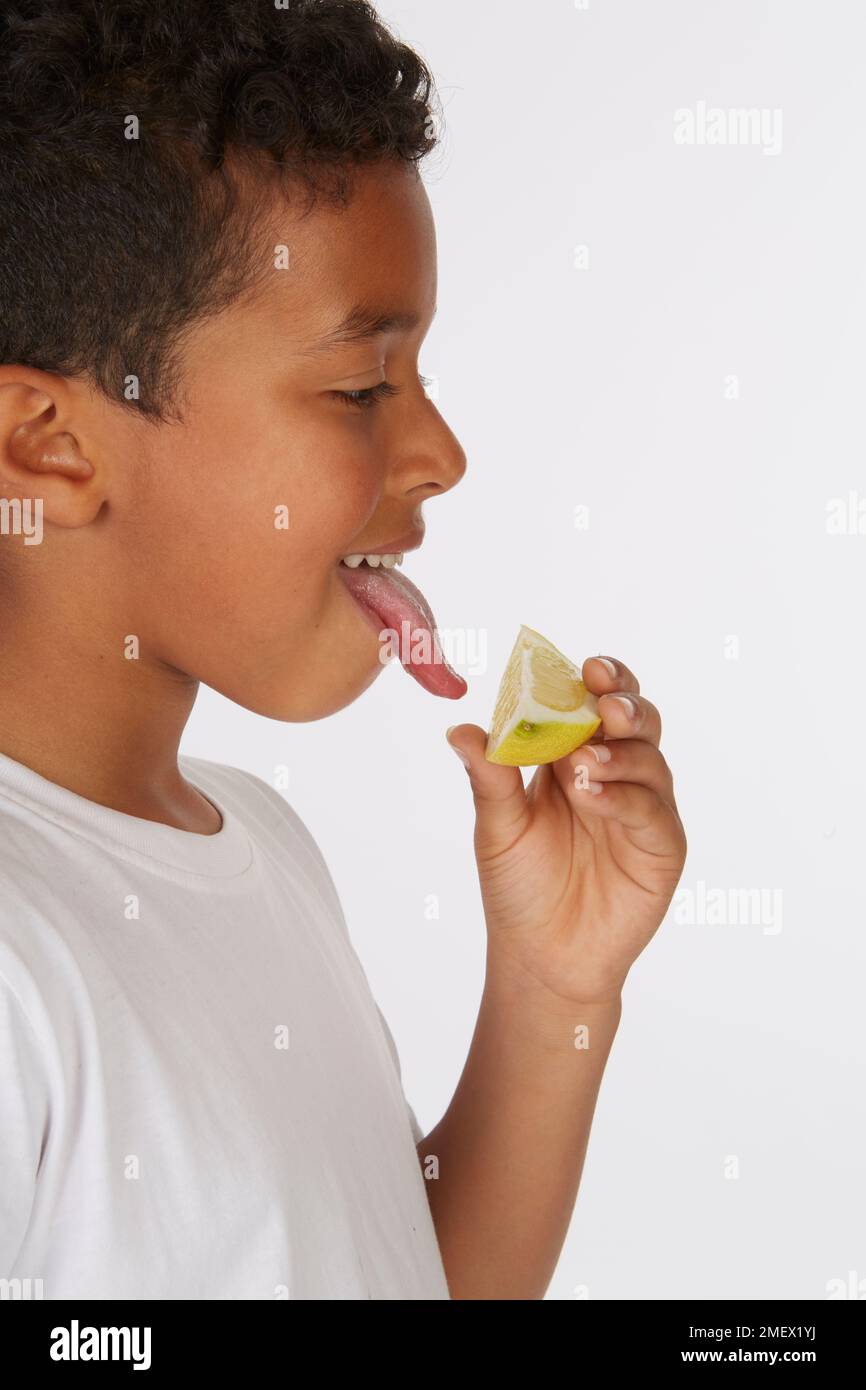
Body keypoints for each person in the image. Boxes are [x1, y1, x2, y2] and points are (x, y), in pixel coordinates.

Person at [0, 0, 686, 1299]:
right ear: (50, 443)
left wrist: (550, 983)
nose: (440, 454)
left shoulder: (259, 847)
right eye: (364, 386)